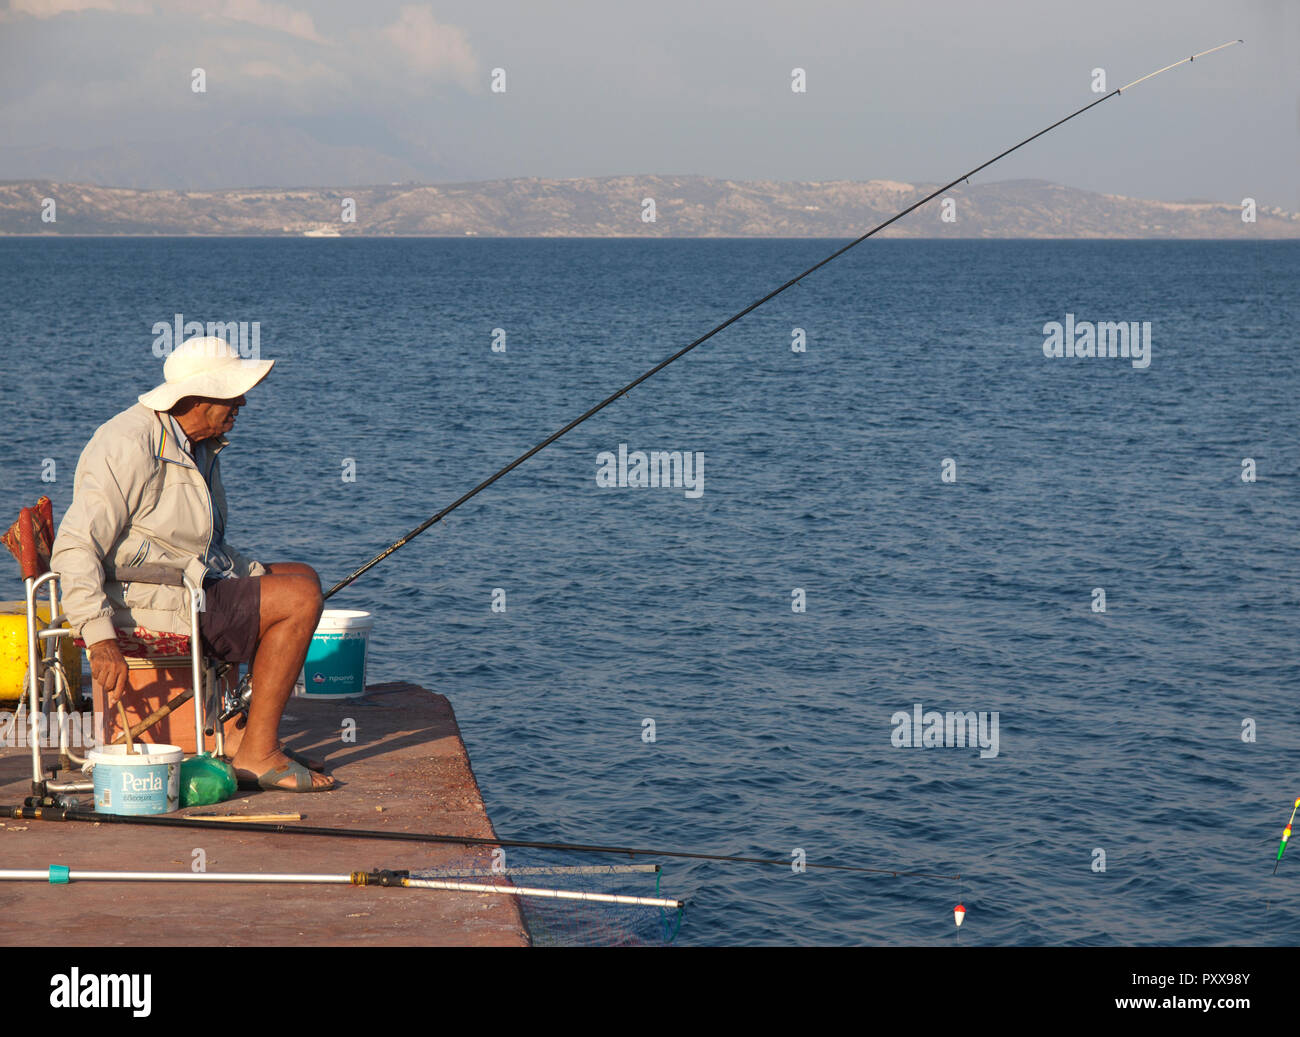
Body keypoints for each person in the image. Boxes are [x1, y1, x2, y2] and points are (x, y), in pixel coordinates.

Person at [50, 336, 334, 792]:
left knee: (303, 578)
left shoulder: (199, 445)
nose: (241, 402)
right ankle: (259, 753)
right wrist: (99, 636)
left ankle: (240, 730)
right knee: (299, 599)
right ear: (198, 399)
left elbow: (205, 545)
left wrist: (255, 574)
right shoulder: (127, 442)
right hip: (149, 600)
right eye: (232, 394)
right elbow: (74, 546)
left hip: (191, 584)